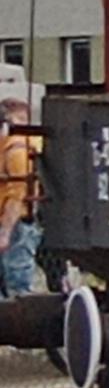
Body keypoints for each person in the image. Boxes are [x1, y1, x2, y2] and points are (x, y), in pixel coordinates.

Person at [0, 103, 34, 300]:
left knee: (16, 276)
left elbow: (18, 194)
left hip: (17, 223)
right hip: (6, 218)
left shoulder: (16, 150)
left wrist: (5, 232)